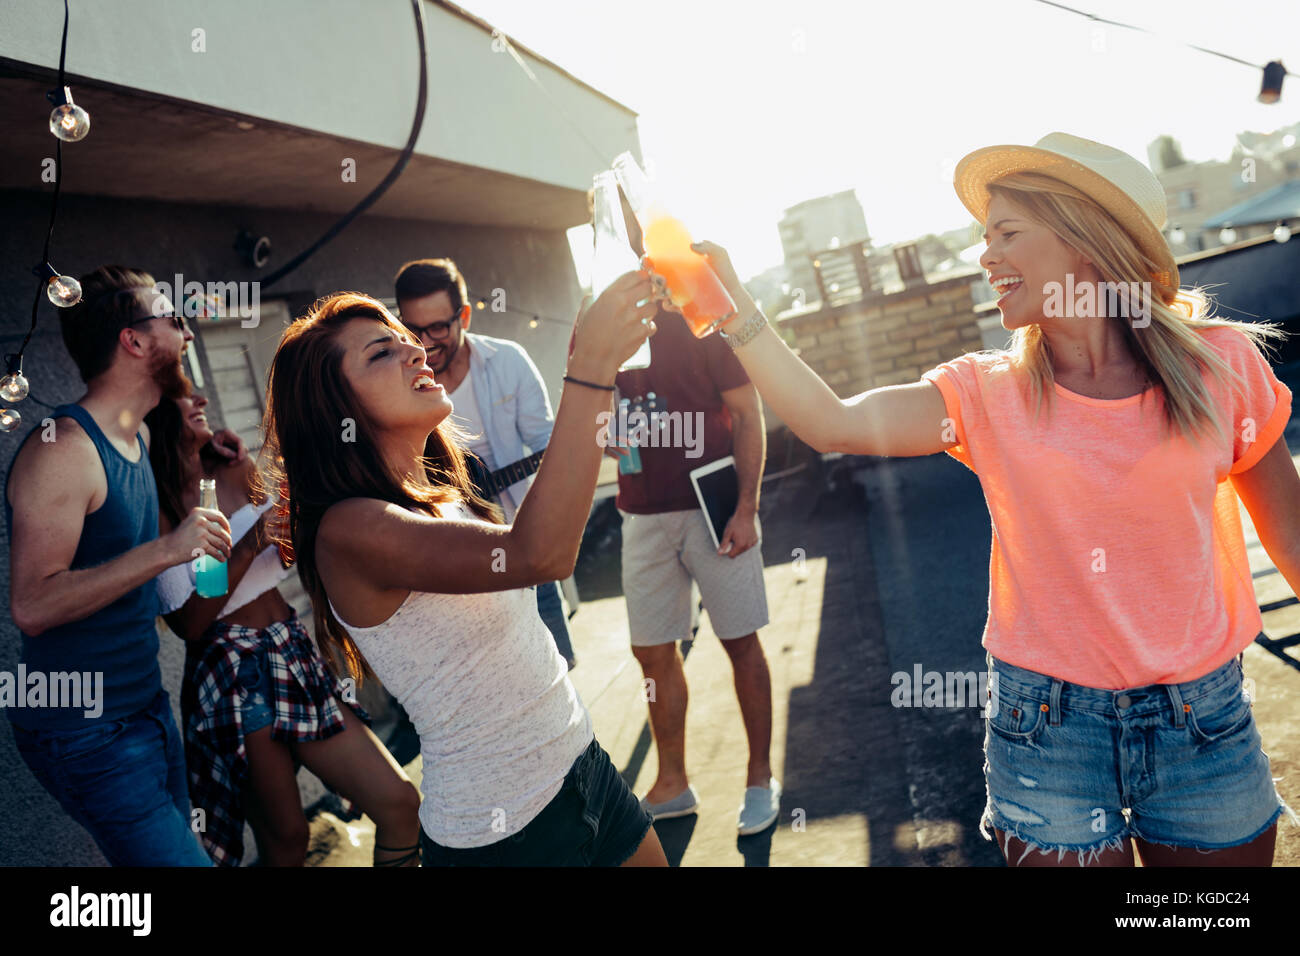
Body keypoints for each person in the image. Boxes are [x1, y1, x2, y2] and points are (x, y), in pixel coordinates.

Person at [681, 132, 1300, 866]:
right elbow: (830, 421)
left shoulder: (1221, 367)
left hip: (1206, 724)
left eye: (1006, 233)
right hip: (1048, 731)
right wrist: (734, 309)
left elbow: (1292, 539)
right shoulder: (985, 393)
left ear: (1084, 238)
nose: (984, 255)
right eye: (984, 236)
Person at [261, 277, 669, 866]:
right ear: (335, 411)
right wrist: (592, 367)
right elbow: (541, 554)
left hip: (584, 767)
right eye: (383, 352)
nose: (416, 350)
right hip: (505, 836)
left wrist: (594, 369)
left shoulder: (441, 491)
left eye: (406, 338)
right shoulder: (350, 530)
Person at [5, 267, 237, 866]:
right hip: (86, 731)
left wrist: (196, 463)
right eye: (172, 319)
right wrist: (167, 548)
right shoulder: (65, 449)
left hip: (143, 711)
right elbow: (32, 606)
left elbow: (156, 590)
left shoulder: (135, 440)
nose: (186, 332)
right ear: (133, 342)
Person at [147, 390, 421, 866]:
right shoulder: (158, 504)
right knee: (287, 840)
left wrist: (292, 524)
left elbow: (278, 557)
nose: (198, 395)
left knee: (399, 801)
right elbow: (191, 620)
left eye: (194, 385)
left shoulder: (232, 468)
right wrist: (250, 541)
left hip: (290, 648)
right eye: (179, 392)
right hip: (234, 675)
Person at [601, 202, 781, 836]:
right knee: (652, 651)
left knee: (740, 642)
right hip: (641, 512)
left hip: (714, 504)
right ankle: (672, 783)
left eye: (641, 235)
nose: (634, 248)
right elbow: (596, 419)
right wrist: (612, 435)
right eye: (620, 234)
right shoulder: (606, 321)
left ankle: (760, 777)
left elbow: (747, 411)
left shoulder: (702, 313)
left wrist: (748, 507)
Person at [394, 258, 578, 669]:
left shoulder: (508, 362)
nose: (425, 344)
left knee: (557, 666)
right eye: (412, 330)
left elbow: (548, 444)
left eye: (438, 328)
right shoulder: (395, 388)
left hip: (525, 549)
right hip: (449, 573)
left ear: (464, 316)